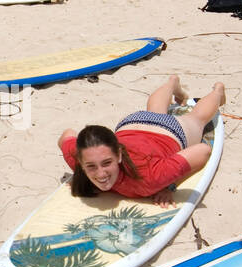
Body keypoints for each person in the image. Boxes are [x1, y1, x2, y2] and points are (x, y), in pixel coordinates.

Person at [58, 77, 224, 206]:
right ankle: (172, 83)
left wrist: (169, 186)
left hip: (168, 130)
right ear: (81, 161)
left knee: (197, 119)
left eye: (107, 163)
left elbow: (203, 150)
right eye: (91, 167)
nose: (101, 174)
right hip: (131, 124)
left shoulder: (149, 177)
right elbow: (67, 135)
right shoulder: (80, 159)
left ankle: (218, 91)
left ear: (119, 156)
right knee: (155, 110)